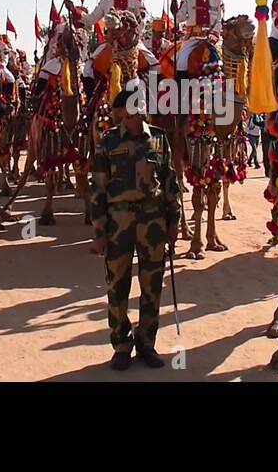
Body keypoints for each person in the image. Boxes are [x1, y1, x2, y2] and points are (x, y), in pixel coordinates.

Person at [89, 87, 181, 371]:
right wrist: (100, 231)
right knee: (117, 285)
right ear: (121, 111)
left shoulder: (158, 138)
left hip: (153, 220)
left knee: (152, 284)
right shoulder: (108, 141)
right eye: (130, 106)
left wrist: (174, 223)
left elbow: (169, 183)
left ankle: (146, 343)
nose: (135, 110)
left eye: (140, 105)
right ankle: (121, 345)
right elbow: (98, 189)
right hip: (119, 223)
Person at [174, 0, 225, 77]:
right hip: (193, 39)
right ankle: (182, 92)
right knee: (181, 63)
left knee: (225, 61)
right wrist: (174, 6)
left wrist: (214, 34)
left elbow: (219, 20)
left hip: (213, 39)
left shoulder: (218, 0)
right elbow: (179, 18)